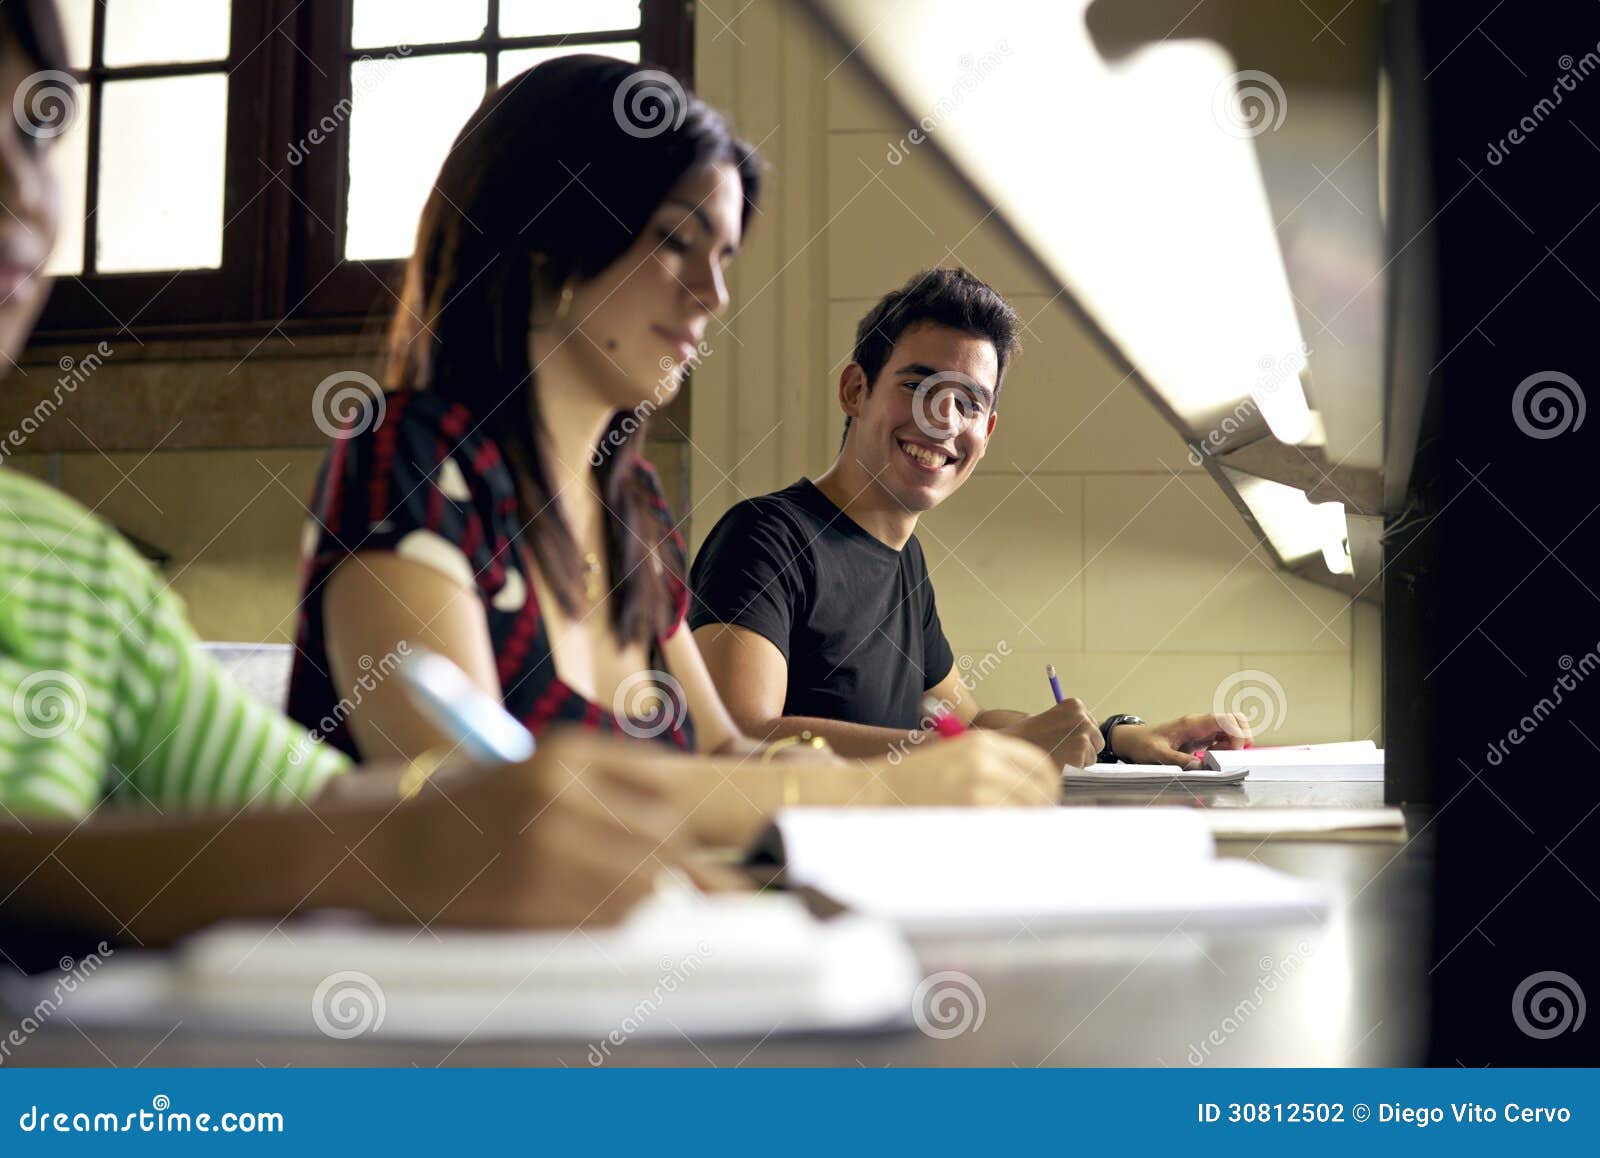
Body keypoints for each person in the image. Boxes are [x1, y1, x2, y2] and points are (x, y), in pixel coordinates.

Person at [0, 3, 728, 955]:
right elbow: (401, 825)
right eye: (677, 243)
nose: (22, 189)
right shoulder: (410, 457)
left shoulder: (77, 573)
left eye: (37, 129)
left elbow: (350, 809)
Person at [285, 56, 1059, 819]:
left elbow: (725, 755)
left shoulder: (631, 506)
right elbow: (476, 811)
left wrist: (937, 772)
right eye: (674, 243)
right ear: (552, 231)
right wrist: (887, 780)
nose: (713, 292)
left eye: (722, 256)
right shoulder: (411, 458)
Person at [690, 268, 1252, 767]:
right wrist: (964, 751)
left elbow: (965, 722)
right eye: (918, 385)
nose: (943, 420)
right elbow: (741, 737)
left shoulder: (903, 558)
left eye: (970, 402)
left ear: (986, 432)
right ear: (856, 390)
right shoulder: (764, 537)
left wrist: (1116, 737)